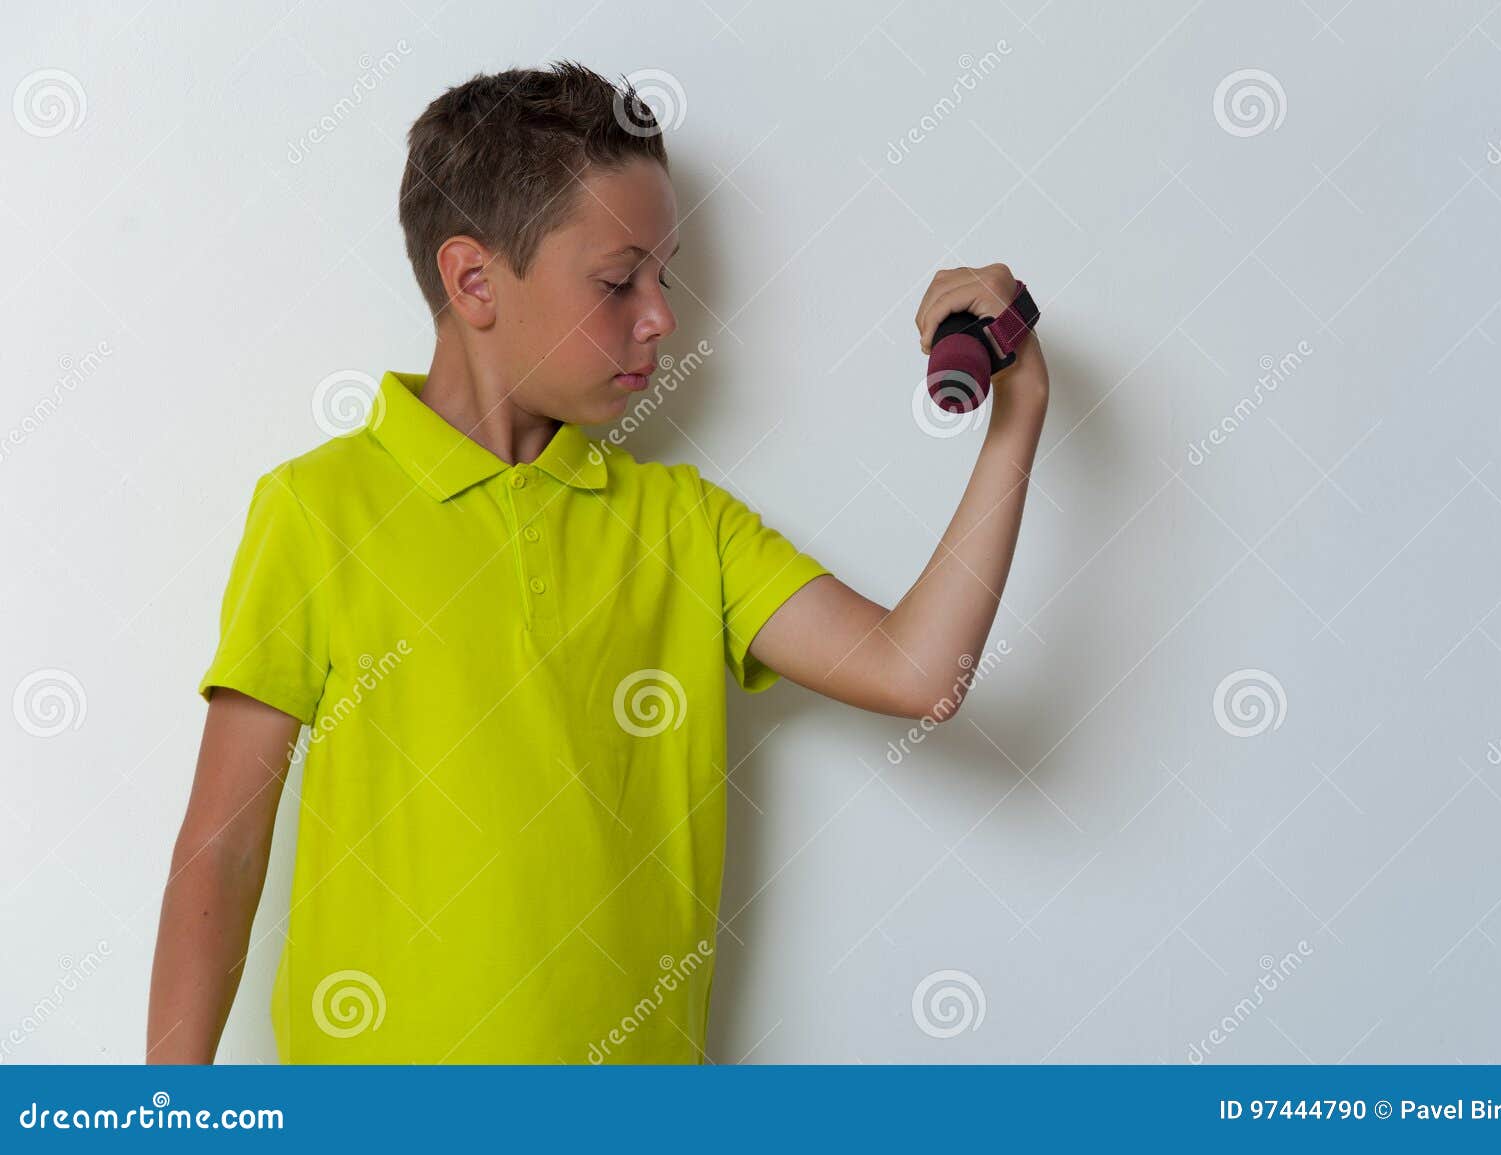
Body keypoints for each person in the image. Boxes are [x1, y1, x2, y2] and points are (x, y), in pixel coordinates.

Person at [147, 60, 1049, 1064]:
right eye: (619, 281)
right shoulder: (319, 511)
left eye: (665, 277)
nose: (660, 316)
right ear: (475, 280)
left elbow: (918, 672)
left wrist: (1016, 419)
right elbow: (222, 849)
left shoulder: (684, 527)